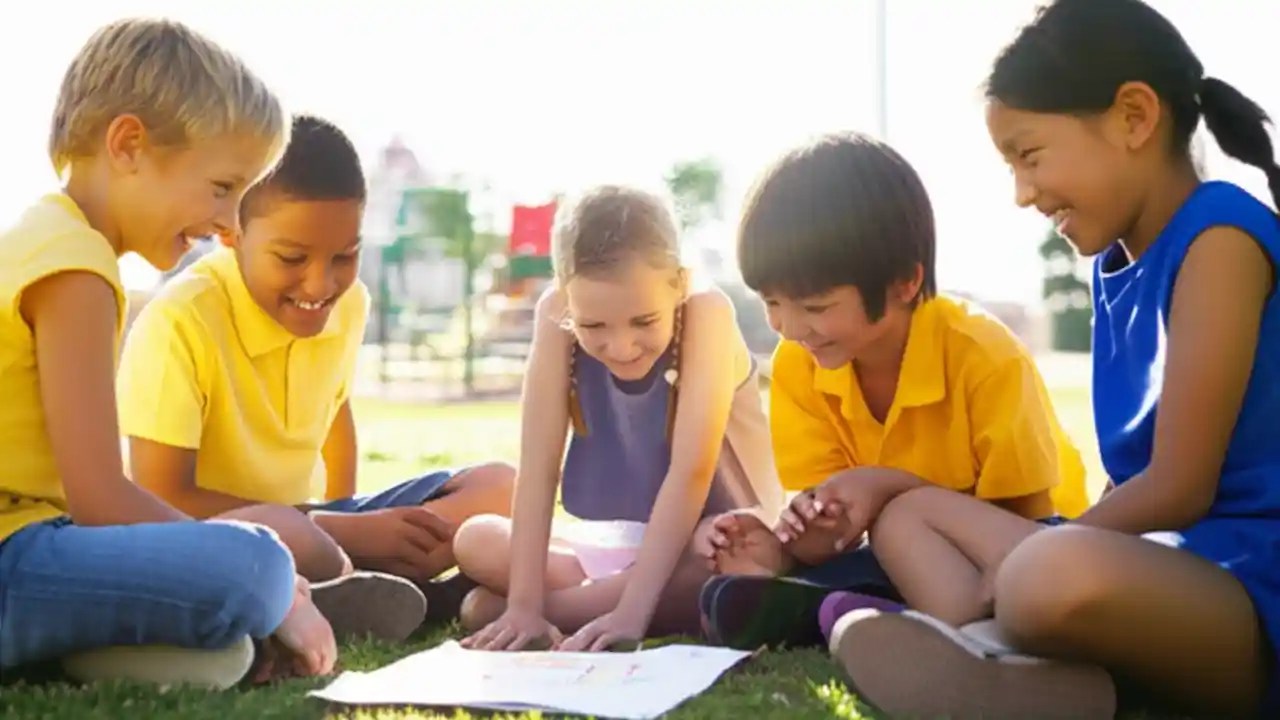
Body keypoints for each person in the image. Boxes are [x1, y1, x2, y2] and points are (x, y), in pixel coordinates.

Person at [828, 1, 1280, 718]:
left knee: (1050, 572)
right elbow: (1128, 484)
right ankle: (1018, 669)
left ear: (1134, 117)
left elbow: (1181, 488)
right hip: (1159, 562)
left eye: (1029, 157)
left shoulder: (1220, 239)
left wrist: (1026, 561)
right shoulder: (1113, 265)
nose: (1023, 193)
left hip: (1248, 591)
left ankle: (990, 638)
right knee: (906, 517)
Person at [0, 18, 335, 689]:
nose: (227, 224)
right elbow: (100, 497)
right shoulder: (75, 271)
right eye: (221, 188)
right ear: (128, 144)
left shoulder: (45, 237)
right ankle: (279, 604)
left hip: (35, 547)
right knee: (258, 562)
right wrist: (279, 584)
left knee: (217, 657)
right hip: (18, 557)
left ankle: (156, 638)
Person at [118, 114, 516, 639]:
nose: (321, 282)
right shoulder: (179, 320)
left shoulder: (347, 305)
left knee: (503, 487)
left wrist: (350, 517)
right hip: (228, 534)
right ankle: (358, 582)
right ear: (229, 234)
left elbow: (335, 416)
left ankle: (350, 580)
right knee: (285, 537)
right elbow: (160, 498)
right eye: (291, 257)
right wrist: (344, 529)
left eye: (345, 256)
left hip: (322, 523)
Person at [699, 131, 1091, 651]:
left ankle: (967, 641)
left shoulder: (983, 353)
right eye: (772, 302)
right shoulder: (802, 365)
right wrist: (789, 547)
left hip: (1028, 548)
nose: (789, 327)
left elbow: (1023, 522)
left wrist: (883, 486)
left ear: (904, 283)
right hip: (900, 558)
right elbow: (833, 534)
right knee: (724, 598)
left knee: (899, 523)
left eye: (815, 307)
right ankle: (868, 615)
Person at [453, 185, 785, 652]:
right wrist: (523, 605)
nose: (621, 346)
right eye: (593, 327)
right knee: (475, 539)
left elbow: (691, 473)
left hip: (721, 542)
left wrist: (630, 616)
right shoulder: (554, 315)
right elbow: (538, 465)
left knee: (727, 556)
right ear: (567, 298)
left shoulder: (707, 314)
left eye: (644, 322)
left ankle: (554, 609)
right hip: (629, 546)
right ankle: (557, 604)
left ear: (679, 283)